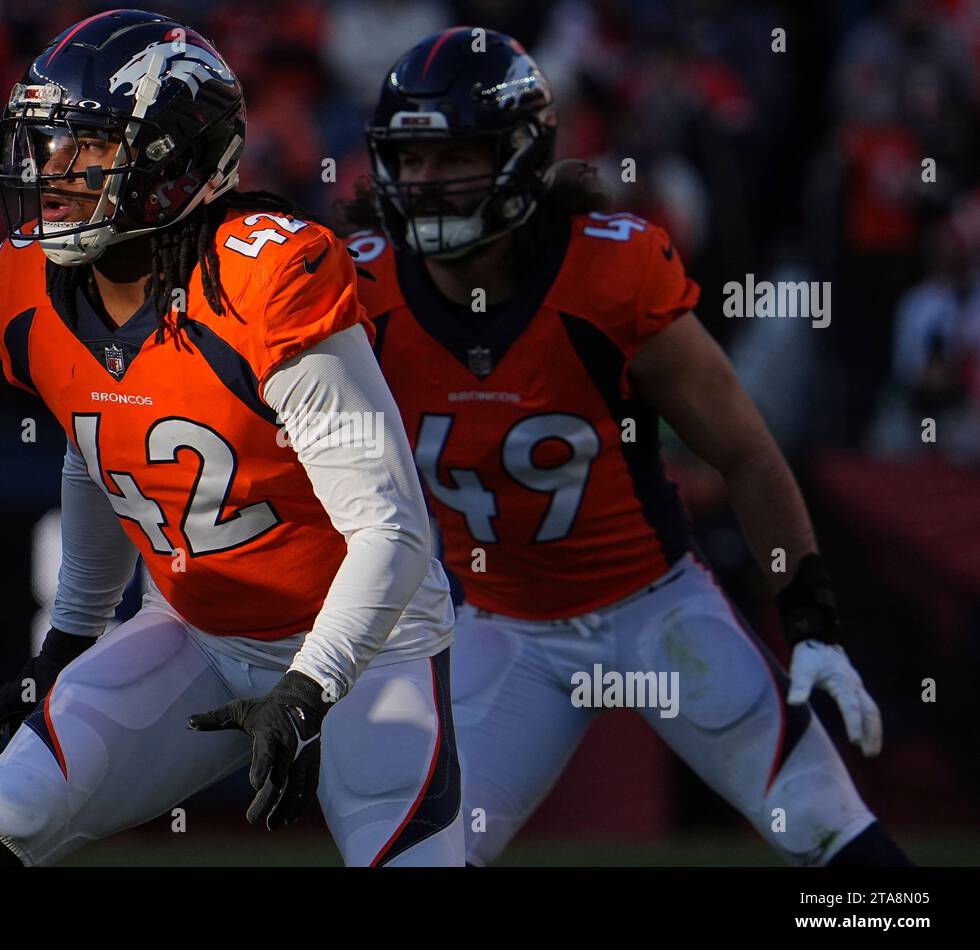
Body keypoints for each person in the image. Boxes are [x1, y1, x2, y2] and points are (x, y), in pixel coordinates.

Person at [344, 27, 910, 866]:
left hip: (655, 609)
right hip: (507, 627)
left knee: (826, 830)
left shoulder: (608, 277)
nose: (424, 183)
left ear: (519, 156)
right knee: (412, 859)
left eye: (453, 157)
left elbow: (747, 453)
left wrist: (812, 621)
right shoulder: (360, 290)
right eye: (409, 159)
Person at [0, 9, 461, 867]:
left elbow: (393, 528)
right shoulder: (22, 284)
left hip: (370, 643)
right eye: (44, 142)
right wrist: (68, 641)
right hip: (198, 634)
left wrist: (310, 685)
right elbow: (97, 444)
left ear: (173, 161)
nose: (50, 172)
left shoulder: (264, 279)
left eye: (86, 146)